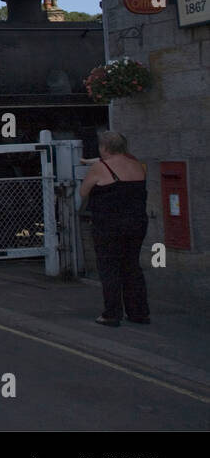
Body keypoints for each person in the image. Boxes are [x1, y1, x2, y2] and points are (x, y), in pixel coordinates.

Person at [80, 131, 151, 326]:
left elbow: (83, 191)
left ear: (104, 148)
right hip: (137, 223)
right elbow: (120, 160)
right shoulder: (137, 164)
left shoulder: (100, 168)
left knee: (109, 268)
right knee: (132, 266)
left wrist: (92, 166)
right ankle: (139, 313)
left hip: (109, 224)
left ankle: (111, 314)